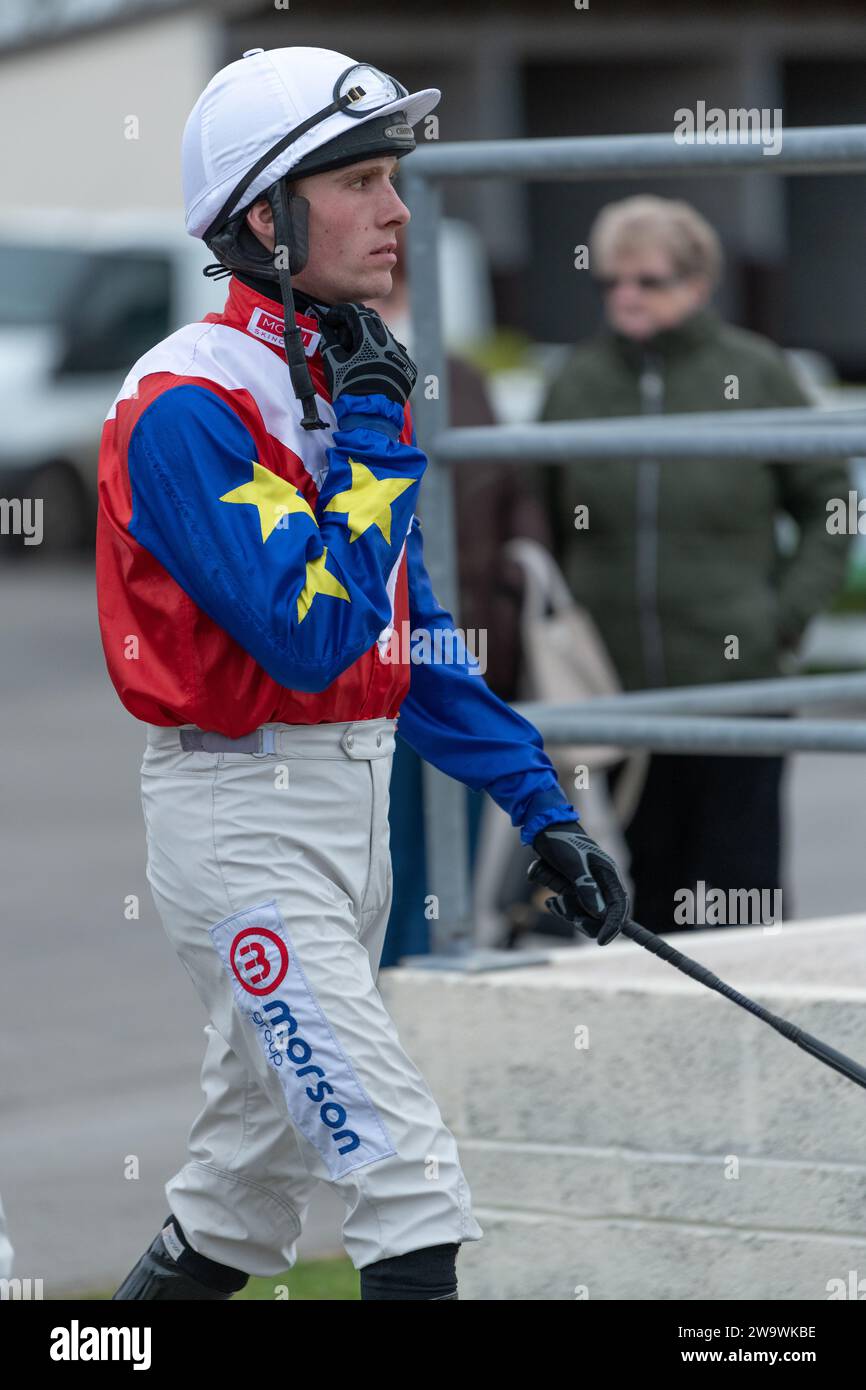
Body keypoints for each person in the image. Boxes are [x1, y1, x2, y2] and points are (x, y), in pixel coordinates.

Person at [95, 45, 630, 1301]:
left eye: (395, 179)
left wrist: (541, 808)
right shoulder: (185, 402)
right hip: (243, 833)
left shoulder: (334, 383)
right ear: (264, 218)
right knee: (404, 1180)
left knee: (237, 1203)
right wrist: (382, 438)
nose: (398, 213)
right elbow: (310, 629)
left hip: (343, 824)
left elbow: (412, 639)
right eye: (363, 183)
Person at [534, 195, 851, 934]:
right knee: (652, 882)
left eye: (648, 280)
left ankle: (757, 1036)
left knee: (744, 887)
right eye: (611, 282)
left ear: (698, 281)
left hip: (737, 684)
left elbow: (830, 506)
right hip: (618, 692)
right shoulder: (577, 383)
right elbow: (541, 516)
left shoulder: (756, 372)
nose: (626, 297)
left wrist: (782, 618)